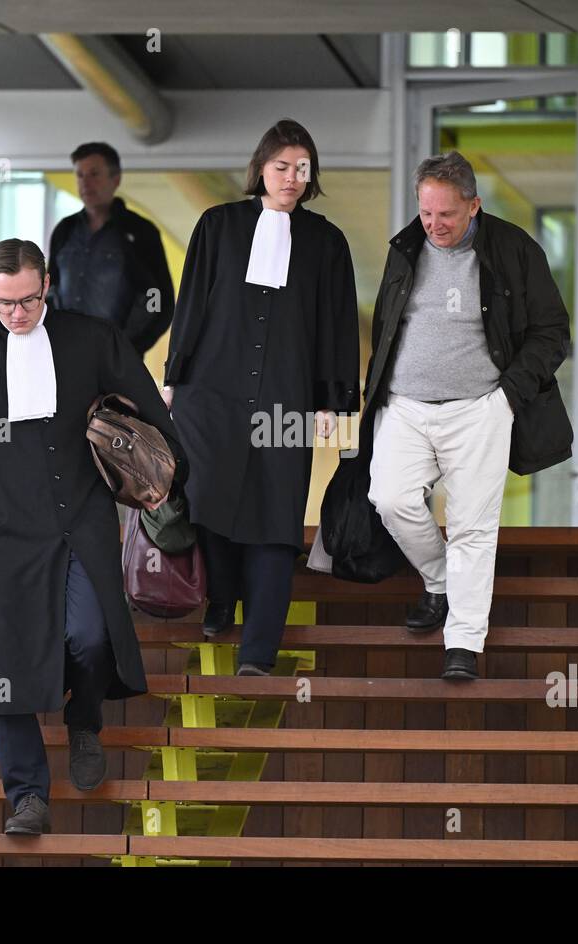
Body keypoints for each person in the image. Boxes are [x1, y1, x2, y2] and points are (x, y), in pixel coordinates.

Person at [0, 238, 185, 836]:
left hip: (81, 520)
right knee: (5, 664)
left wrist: (171, 477)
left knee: (90, 637)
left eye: (29, 300)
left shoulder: (93, 338)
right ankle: (27, 796)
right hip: (6, 533)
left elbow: (147, 412)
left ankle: (84, 720)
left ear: (47, 288)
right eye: (5, 303)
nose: (18, 314)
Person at [364, 151, 573, 680]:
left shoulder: (514, 250)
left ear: (474, 205)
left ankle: (463, 642)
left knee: (472, 529)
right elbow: (388, 326)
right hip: (405, 406)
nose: (434, 225)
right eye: (426, 212)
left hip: (480, 408)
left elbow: (552, 334)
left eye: (447, 215)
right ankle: (438, 580)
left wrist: (505, 398)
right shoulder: (407, 245)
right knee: (388, 497)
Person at [163, 118, 360, 676]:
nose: (292, 178)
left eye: (303, 169)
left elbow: (337, 324)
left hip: (288, 401)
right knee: (205, 501)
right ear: (261, 168)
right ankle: (221, 597)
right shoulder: (218, 226)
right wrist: (173, 378)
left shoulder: (326, 242)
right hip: (211, 394)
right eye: (282, 167)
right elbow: (192, 305)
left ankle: (258, 653)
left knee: (276, 518)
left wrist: (334, 402)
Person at [47, 142, 175, 356]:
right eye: (80, 175)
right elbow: (49, 290)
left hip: (117, 360)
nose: (85, 183)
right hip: (65, 355)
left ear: (115, 179)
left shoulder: (140, 232)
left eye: (94, 174)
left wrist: (132, 348)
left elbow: (160, 299)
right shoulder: (65, 230)